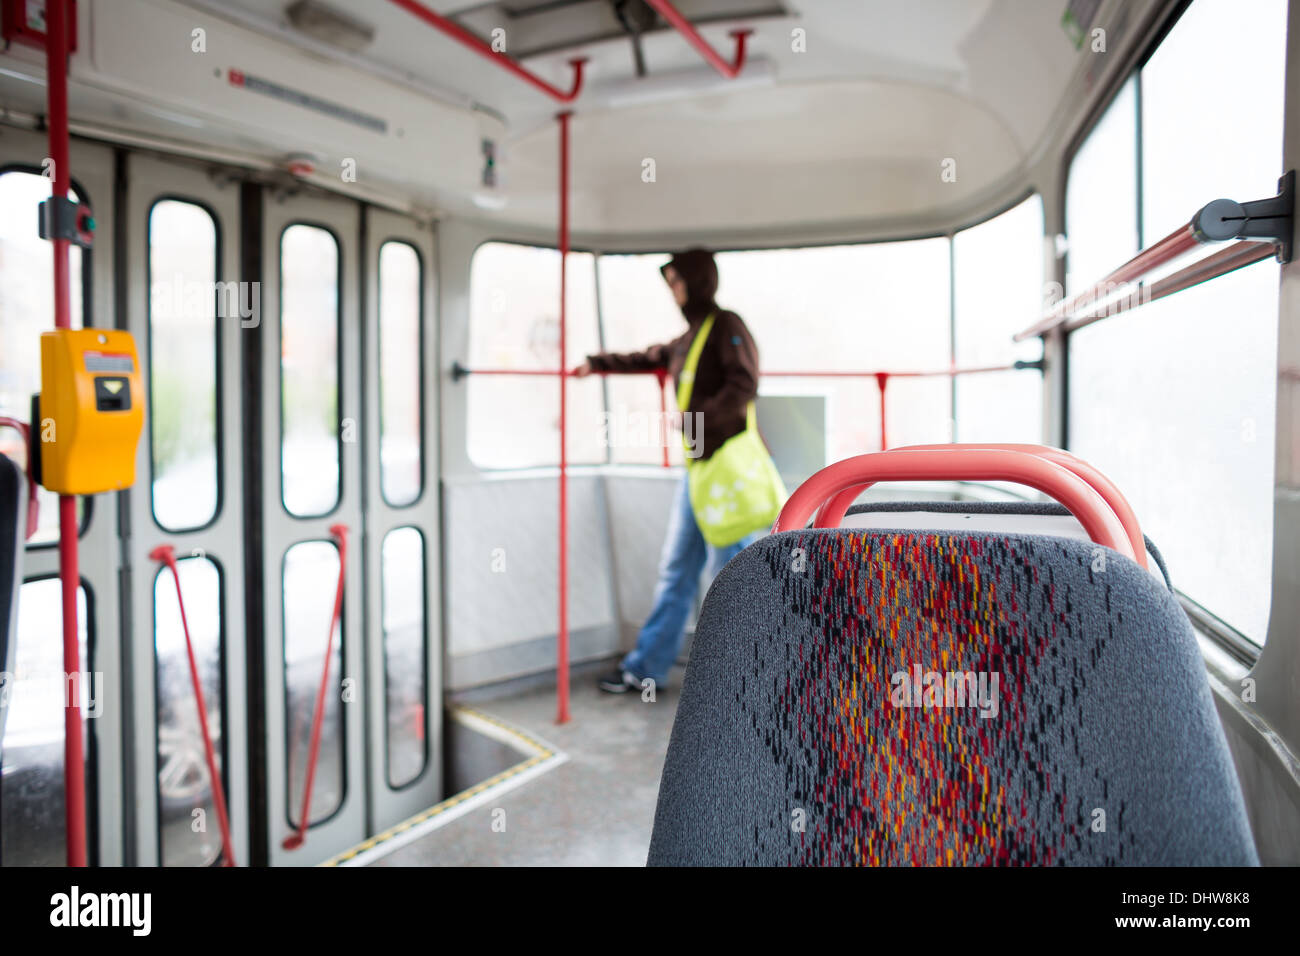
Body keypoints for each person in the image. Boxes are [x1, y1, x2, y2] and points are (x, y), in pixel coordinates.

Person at [573, 248, 771, 694]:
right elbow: (649, 357)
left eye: (678, 281)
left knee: (734, 577)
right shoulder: (691, 337)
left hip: (725, 473)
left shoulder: (726, 327)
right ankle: (646, 667)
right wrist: (597, 364)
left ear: (698, 282)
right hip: (701, 474)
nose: (673, 291)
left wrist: (697, 417)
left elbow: (745, 384)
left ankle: (750, 673)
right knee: (679, 570)